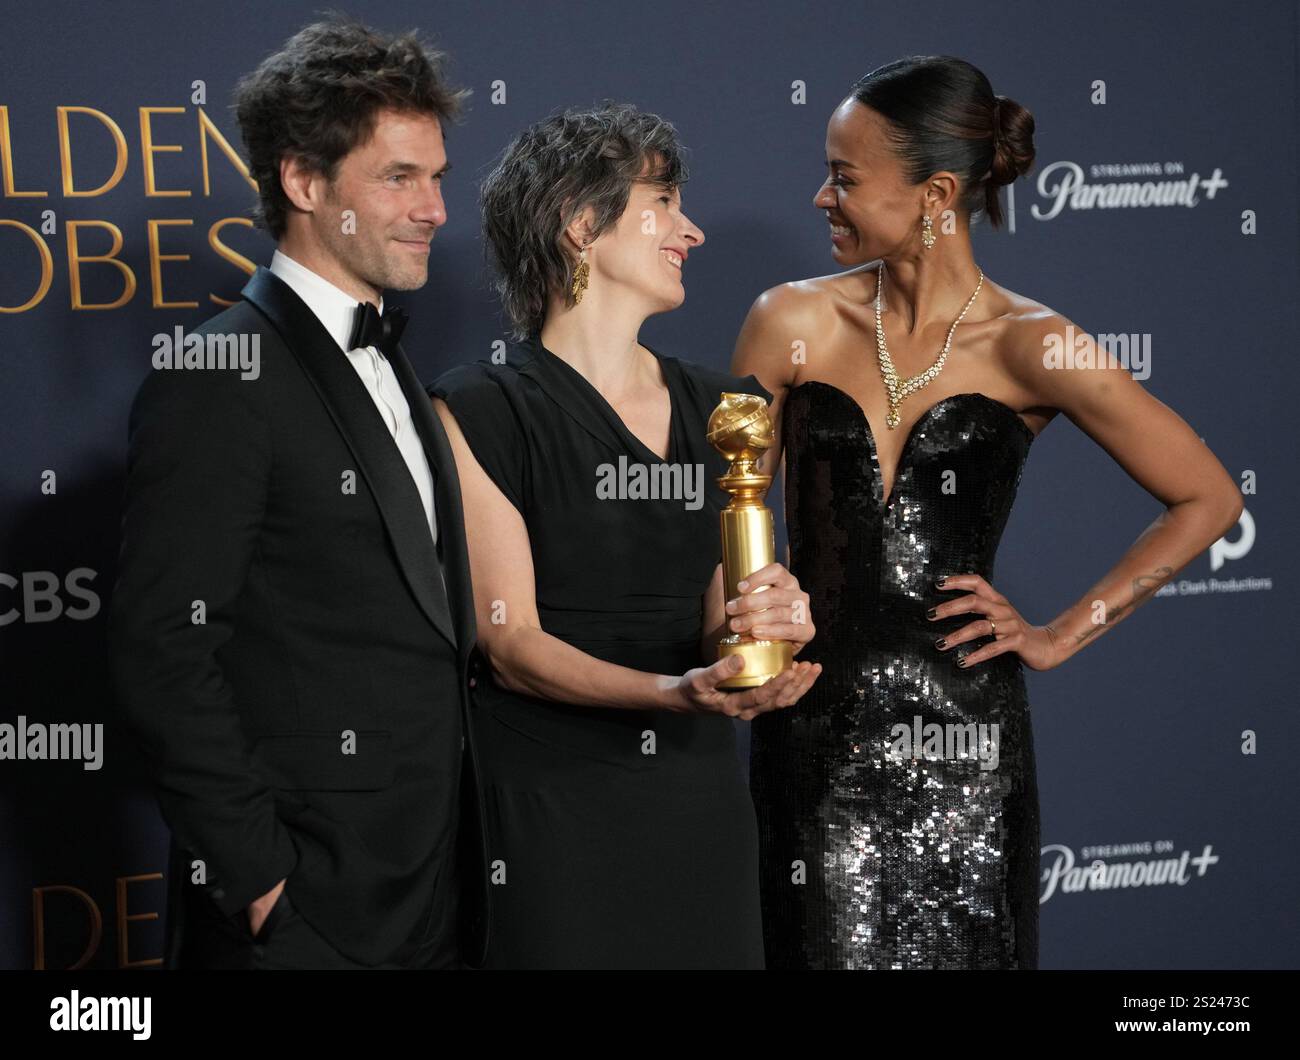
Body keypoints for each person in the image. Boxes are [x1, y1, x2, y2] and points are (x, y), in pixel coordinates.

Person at [735, 55, 1244, 969]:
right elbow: (727, 527)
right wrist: (737, 647)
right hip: (810, 728)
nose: (822, 197)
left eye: (845, 178)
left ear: (934, 193)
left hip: (969, 750)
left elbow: (1208, 497)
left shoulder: (1034, 344)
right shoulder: (786, 322)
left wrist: (1059, 634)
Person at [108, 16, 489, 969]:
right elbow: (160, 651)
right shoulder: (218, 371)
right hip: (308, 912)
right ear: (305, 183)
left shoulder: (393, 358)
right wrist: (264, 888)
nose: (436, 207)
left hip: (436, 886)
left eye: (437, 176)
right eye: (400, 177)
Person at [429, 102, 822, 969]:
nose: (695, 231)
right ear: (581, 224)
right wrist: (676, 691)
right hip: (550, 809)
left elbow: (731, 620)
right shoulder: (480, 407)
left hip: (695, 802)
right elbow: (508, 644)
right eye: (666, 203)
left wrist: (769, 629)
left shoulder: (729, 408)